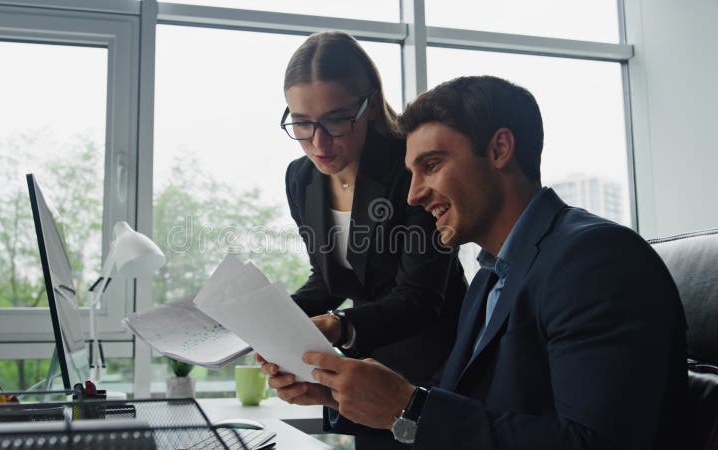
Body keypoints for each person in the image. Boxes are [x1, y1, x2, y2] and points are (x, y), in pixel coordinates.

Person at [265, 75, 687, 449]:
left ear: (500, 149)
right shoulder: (490, 278)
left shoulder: (595, 261)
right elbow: (451, 412)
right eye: (411, 173)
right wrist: (338, 396)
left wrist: (409, 406)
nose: (413, 195)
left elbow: (595, 442)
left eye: (431, 165)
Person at [277, 32, 468, 448]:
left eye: (337, 119)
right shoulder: (302, 178)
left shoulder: (411, 168)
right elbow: (331, 280)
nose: (319, 142)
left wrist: (340, 326)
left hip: (440, 374)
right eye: (303, 123)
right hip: (367, 377)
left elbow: (420, 297)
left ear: (369, 105)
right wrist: (270, 319)